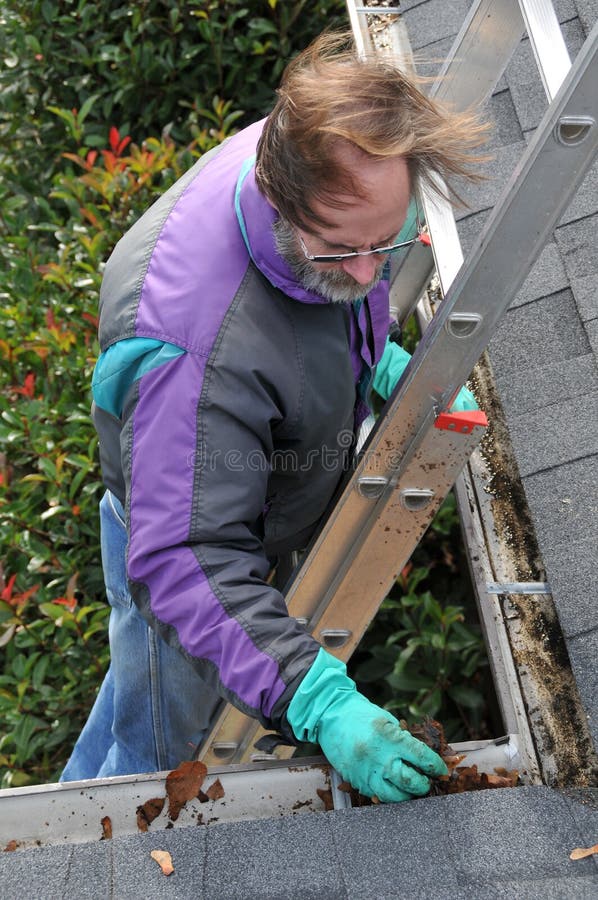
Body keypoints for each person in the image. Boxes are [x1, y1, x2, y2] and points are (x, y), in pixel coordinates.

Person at [61, 31, 487, 802]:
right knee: (160, 760)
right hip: (190, 553)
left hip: (240, 514)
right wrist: (317, 702)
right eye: (339, 253)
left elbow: (336, 284)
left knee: (135, 700)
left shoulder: (319, 154)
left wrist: (379, 363)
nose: (367, 274)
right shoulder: (193, 352)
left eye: (384, 245)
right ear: (280, 197)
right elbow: (185, 558)